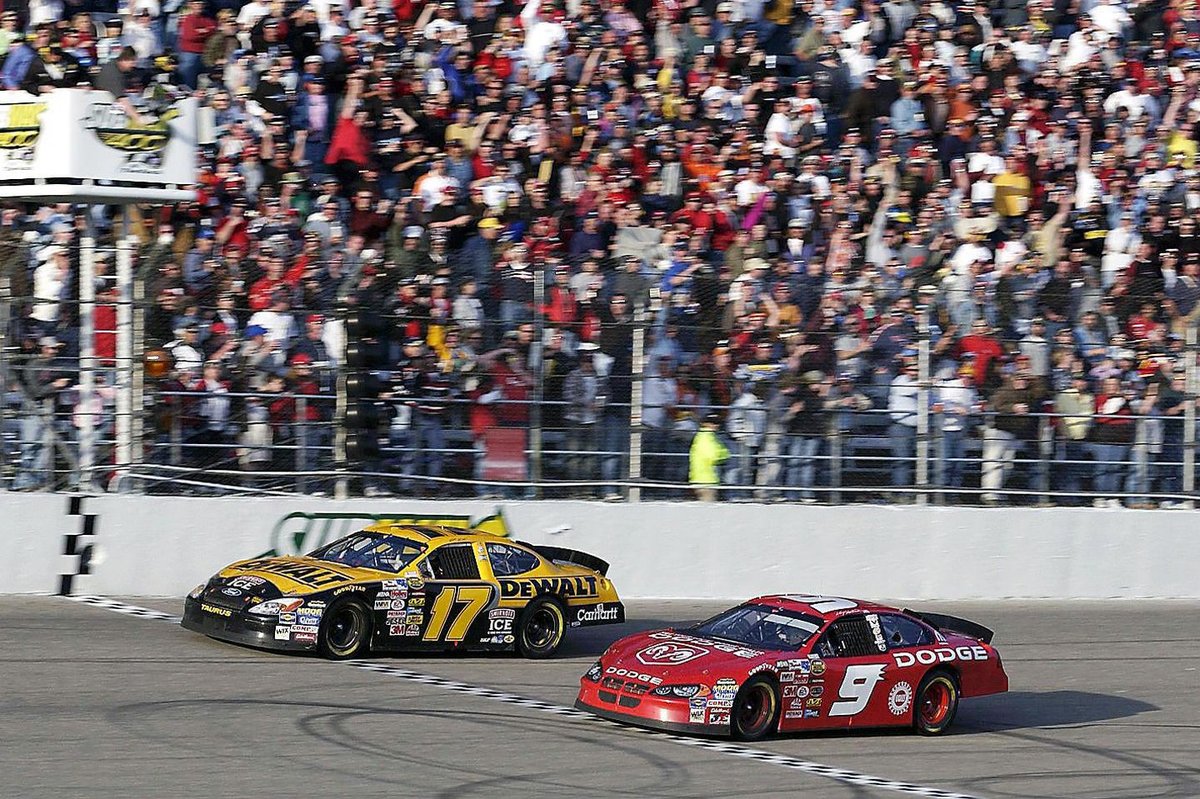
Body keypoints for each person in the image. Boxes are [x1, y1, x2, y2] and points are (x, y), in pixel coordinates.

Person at [689, 412, 729, 502]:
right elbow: (713, 456)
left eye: (717, 423)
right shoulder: (706, 436)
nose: (716, 425)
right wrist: (723, 454)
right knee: (708, 508)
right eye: (713, 423)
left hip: (703, 479)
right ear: (704, 423)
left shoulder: (704, 436)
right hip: (706, 480)